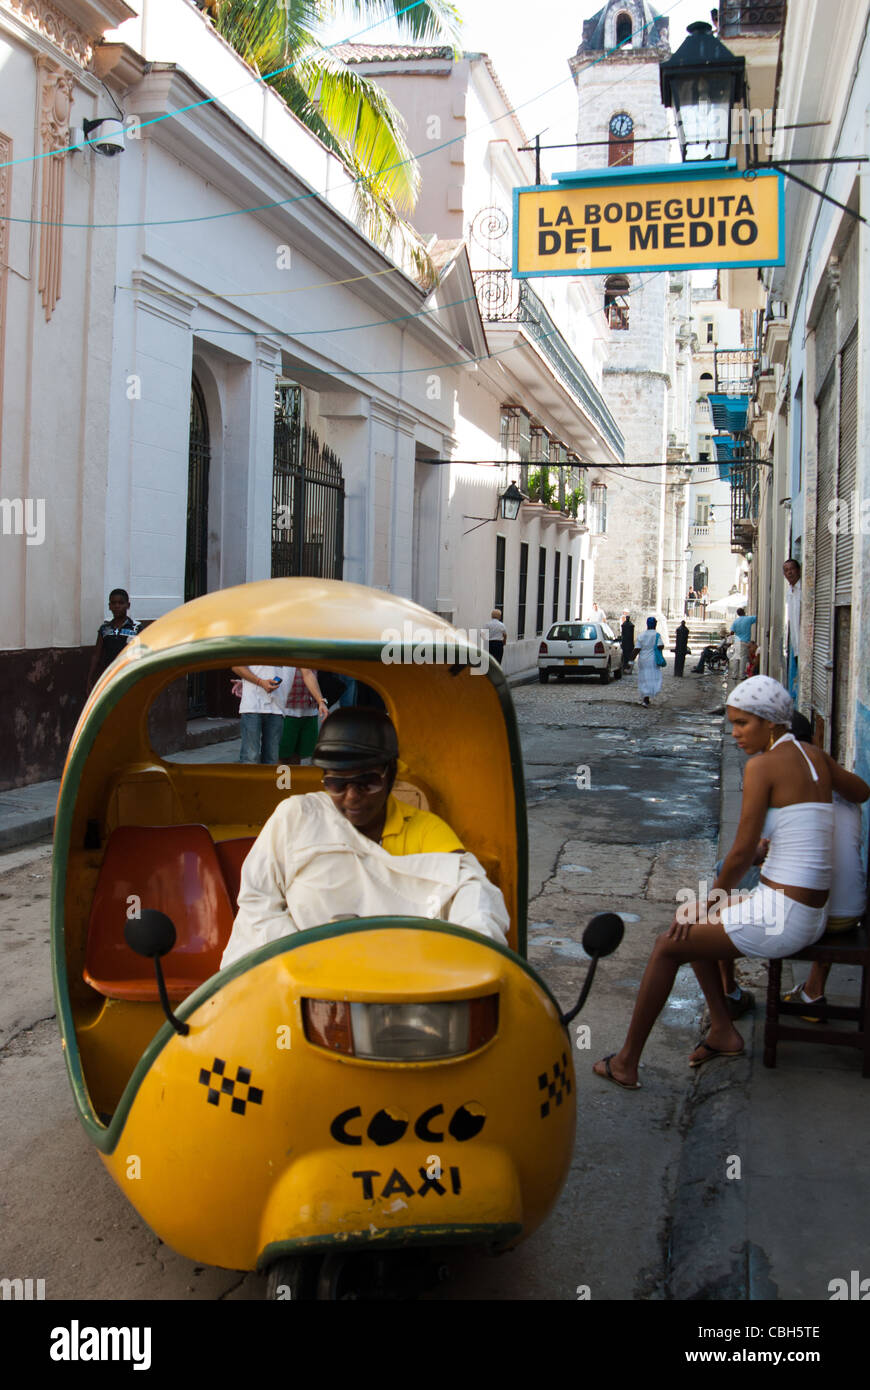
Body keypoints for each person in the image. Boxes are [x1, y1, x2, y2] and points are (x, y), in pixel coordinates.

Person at [592, 676, 869, 1089]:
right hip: (805, 908)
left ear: (771, 723)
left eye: (743, 724)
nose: (735, 732)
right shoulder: (814, 756)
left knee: (669, 943)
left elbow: (739, 854)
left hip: (785, 913)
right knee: (689, 925)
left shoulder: (762, 766)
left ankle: (627, 1061)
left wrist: (709, 898)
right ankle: (722, 1031)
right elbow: (860, 791)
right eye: (733, 723)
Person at [220, 708, 510, 967]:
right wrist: (307, 958)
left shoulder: (425, 830)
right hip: (297, 977)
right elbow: (257, 899)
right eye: (337, 784)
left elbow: (471, 888)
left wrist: (475, 950)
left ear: (391, 775)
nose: (352, 797)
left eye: (367, 782)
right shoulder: (298, 816)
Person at [714, 710, 870, 1020]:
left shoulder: (783, 793)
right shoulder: (844, 792)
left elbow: (757, 854)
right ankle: (813, 991)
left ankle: (729, 990)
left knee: (722, 880)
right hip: (850, 915)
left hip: (806, 915)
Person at [231, 665, 326, 765]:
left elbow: (307, 673)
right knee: (251, 757)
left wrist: (320, 700)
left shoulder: (290, 651)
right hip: (253, 705)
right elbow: (237, 666)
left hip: (278, 708)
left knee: (272, 758)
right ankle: (250, 781)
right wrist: (257, 681)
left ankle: (270, 781)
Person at [86, 589, 142, 692]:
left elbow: (141, 654)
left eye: (121, 603)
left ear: (128, 605)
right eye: (113, 603)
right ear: (109, 606)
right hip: (110, 676)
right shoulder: (105, 629)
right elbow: (96, 655)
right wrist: (90, 678)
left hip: (129, 676)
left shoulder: (136, 628)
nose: (117, 606)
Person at [278, 667, 329, 764]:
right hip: (286, 709)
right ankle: (282, 779)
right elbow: (307, 673)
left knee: (298, 755)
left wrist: (320, 701)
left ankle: (292, 779)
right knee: (282, 756)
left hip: (309, 707)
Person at [633, 616, 664, 707]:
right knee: (652, 677)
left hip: (643, 659)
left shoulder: (641, 636)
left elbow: (637, 649)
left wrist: (630, 659)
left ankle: (645, 697)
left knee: (644, 677)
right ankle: (648, 697)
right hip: (653, 659)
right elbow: (660, 646)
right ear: (655, 624)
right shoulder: (657, 635)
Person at [783, 558, 801, 701]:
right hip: (796, 645)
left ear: (798, 570)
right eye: (786, 570)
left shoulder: (803, 590)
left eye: (791, 569)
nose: (789, 573)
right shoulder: (789, 592)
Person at [729, 608, 757, 679]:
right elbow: (757, 618)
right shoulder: (748, 619)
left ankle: (734, 675)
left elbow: (731, 632)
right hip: (745, 641)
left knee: (736, 658)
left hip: (737, 641)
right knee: (743, 658)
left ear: (738, 614)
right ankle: (742, 675)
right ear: (744, 612)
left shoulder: (735, 621)